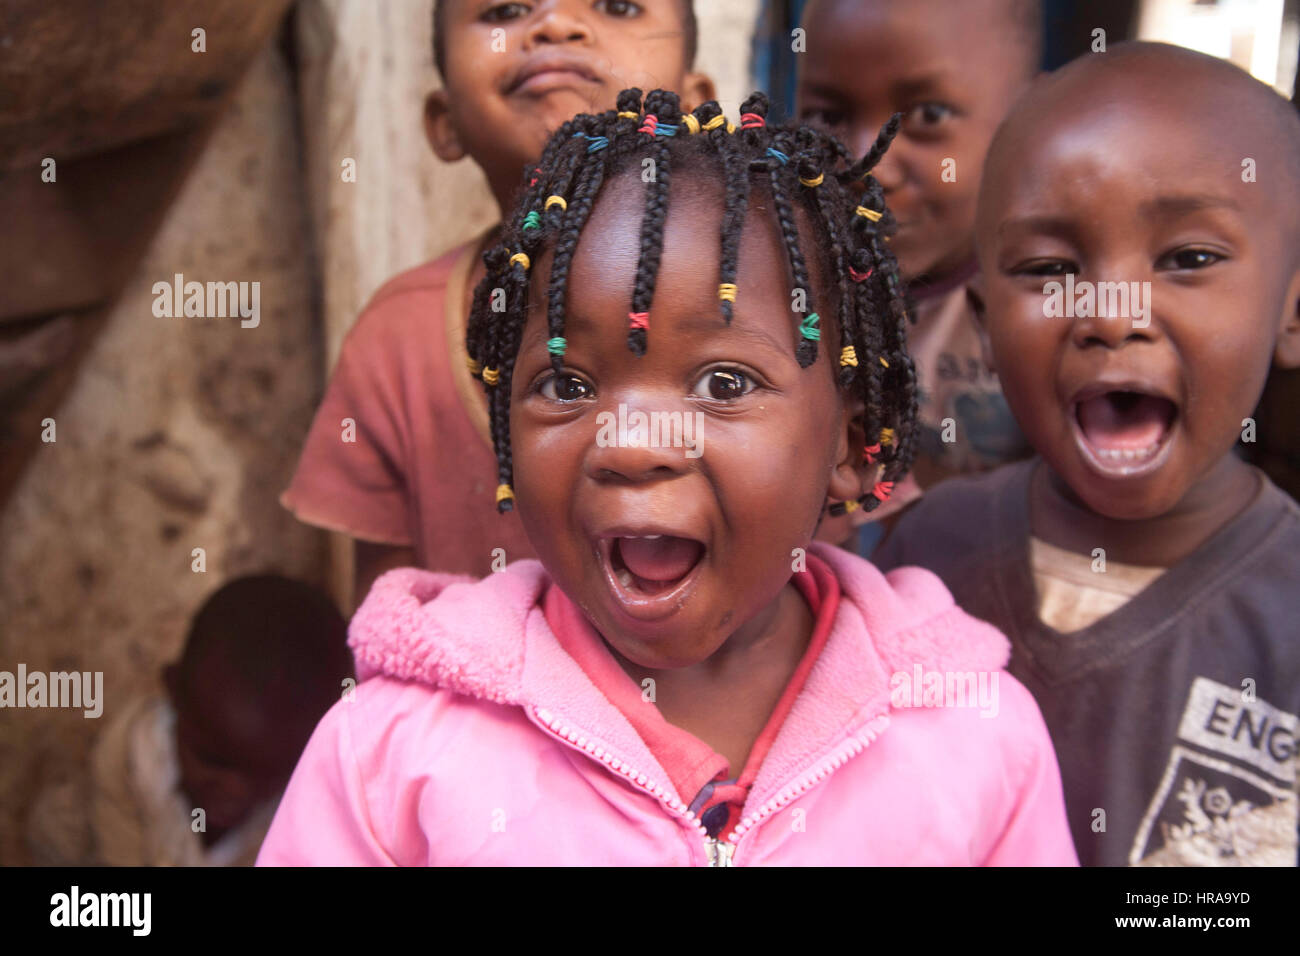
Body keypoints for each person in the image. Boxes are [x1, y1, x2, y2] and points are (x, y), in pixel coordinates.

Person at [257, 90, 1075, 866]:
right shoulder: (392, 749)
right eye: (567, 385)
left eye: (724, 384)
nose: (632, 443)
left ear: (852, 447)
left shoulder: (973, 739)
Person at [874, 43, 1300, 866]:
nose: (1111, 313)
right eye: (1049, 268)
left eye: (1188, 260)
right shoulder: (923, 558)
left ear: (1292, 307)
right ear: (988, 320)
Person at [281, 0, 715, 601]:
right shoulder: (399, 339)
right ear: (444, 122)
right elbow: (387, 632)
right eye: (506, 10)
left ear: (693, 104)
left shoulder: (761, 308)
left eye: (617, 5)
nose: (556, 25)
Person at [793, 0, 1041, 541]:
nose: (867, 163)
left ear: (1030, 119)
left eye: (928, 117)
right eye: (827, 116)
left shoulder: (1052, 306)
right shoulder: (780, 287)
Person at [91, 575, 353, 865]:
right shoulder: (130, 759)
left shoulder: (312, 800)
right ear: (174, 691)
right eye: (212, 760)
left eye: (268, 774)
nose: (235, 791)